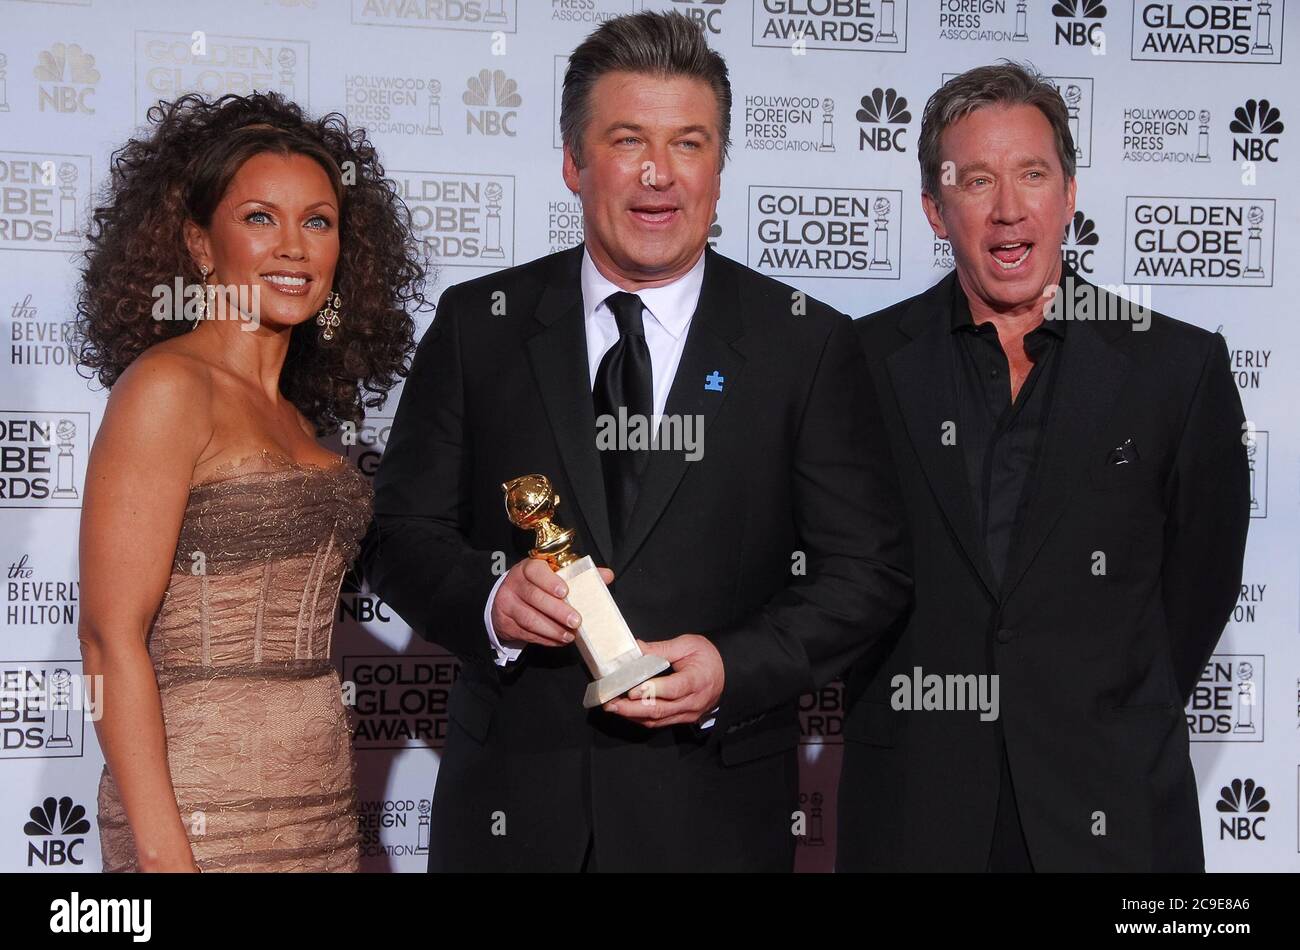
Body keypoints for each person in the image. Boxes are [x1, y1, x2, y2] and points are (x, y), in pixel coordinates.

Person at [362, 11, 910, 872]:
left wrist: (733, 668)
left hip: (714, 818)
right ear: (576, 163)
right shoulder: (481, 327)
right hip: (513, 815)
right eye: (628, 140)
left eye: (689, 144)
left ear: (720, 170)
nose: (659, 175)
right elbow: (399, 535)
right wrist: (492, 601)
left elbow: (869, 572)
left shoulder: (804, 344)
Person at [841, 63, 1250, 872]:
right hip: (917, 807)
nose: (1007, 209)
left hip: (1112, 807)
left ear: (1068, 194)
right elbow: (837, 572)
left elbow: (1198, 586)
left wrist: (1097, 700)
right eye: (976, 180)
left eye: (1032, 174)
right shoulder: (862, 363)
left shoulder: (1176, 367)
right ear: (934, 208)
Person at [74, 91, 422, 872]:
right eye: (260, 218)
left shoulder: (300, 422)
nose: (294, 247)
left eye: (319, 221)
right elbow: (107, 639)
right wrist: (165, 857)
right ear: (200, 243)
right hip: (199, 816)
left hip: (320, 814)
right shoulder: (167, 389)